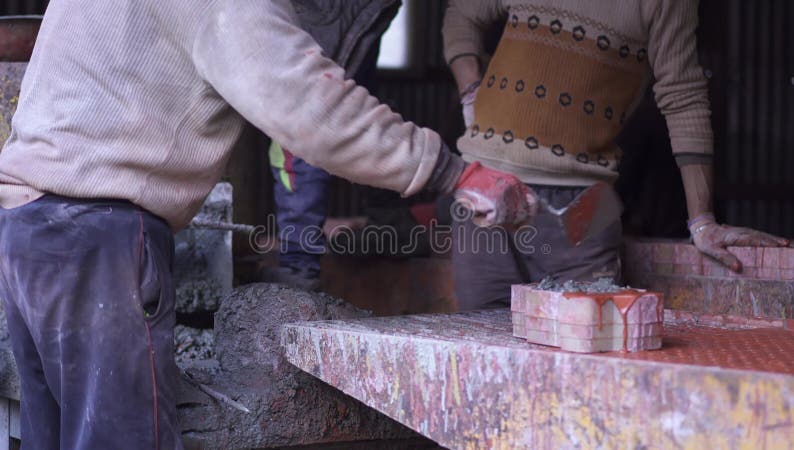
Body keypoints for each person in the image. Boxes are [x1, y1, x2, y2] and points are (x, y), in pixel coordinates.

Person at [0, 1, 533, 448]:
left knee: (57, 434)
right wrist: (451, 172)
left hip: (29, 224)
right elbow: (311, 107)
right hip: (95, 234)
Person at [443, 0, 789, 310]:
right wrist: (471, 92)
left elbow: (683, 95)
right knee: (481, 338)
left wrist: (702, 221)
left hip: (585, 199)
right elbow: (461, 15)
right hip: (481, 183)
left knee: (586, 349)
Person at [264, 0, 400, 289]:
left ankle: (299, 265)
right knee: (348, 111)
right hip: (349, 13)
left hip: (335, 14)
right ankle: (390, 221)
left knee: (303, 126)